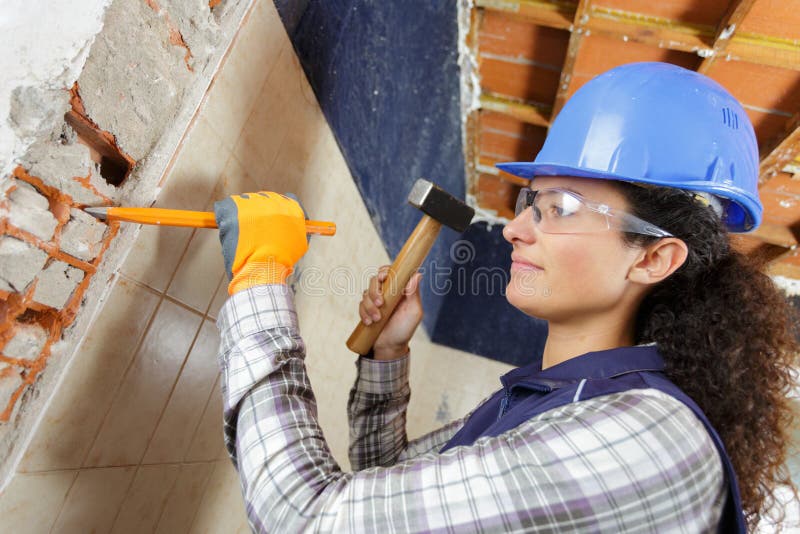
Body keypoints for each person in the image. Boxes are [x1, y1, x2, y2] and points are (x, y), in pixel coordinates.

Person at [213, 62, 798, 532]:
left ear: (653, 258)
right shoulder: (552, 396)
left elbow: (310, 518)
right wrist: (388, 356)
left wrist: (261, 278)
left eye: (562, 208)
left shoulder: (650, 438)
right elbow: (386, 489)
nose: (515, 230)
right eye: (530, 201)